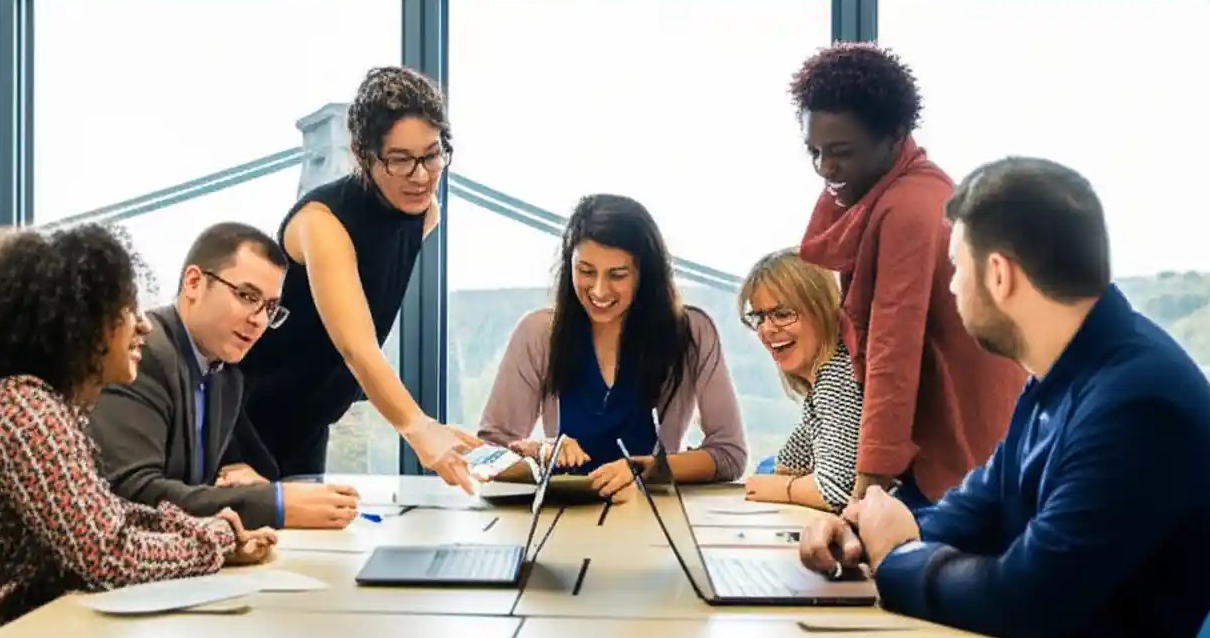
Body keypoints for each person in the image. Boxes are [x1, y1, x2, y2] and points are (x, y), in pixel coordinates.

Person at [798, 157, 1210, 638]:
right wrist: (857, 534)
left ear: (999, 274)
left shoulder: (1138, 400)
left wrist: (896, 554)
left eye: (955, 268)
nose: (951, 287)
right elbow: (984, 506)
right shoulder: (1063, 373)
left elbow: (1031, 595)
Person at [0, 223, 276, 638]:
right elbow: (110, 555)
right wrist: (216, 541)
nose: (144, 326)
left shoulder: (41, 405)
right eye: (128, 310)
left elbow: (109, 516)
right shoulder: (26, 413)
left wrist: (205, 531)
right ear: (81, 321)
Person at [789, 43, 1027, 509]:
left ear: (895, 135)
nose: (824, 168)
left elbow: (892, 354)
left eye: (841, 152)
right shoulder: (906, 191)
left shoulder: (908, 210)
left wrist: (867, 495)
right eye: (814, 151)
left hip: (964, 462)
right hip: (973, 453)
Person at [231, 66, 480, 491]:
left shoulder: (425, 215)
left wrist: (432, 427)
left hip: (311, 420)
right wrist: (419, 428)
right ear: (364, 155)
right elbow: (357, 347)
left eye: (432, 154)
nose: (421, 176)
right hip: (245, 419)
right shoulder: (322, 222)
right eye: (399, 159)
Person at [89, 222, 360, 530]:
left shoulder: (225, 375)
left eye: (270, 308)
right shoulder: (141, 352)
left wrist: (248, 485)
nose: (259, 320)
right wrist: (274, 505)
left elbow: (203, 483)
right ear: (194, 283)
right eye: (246, 296)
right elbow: (132, 493)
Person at [478, 194, 747, 500]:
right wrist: (542, 453)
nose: (599, 290)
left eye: (617, 275)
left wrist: (642, 469)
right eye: (586, 271)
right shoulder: (539, 334)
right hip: (563, 513)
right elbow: (486, 454)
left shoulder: (691, 333)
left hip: (652, 513)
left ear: (646, 274)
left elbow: (729, 455)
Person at [738, 248, 861, 513]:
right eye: (759, 317)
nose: (766, 329)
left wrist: (784, 489)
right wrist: (776, 476)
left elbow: (837, 490)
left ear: (821, 310)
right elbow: (789, 462)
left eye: (782, 314)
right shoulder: (820, 383)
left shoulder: (838, 377)